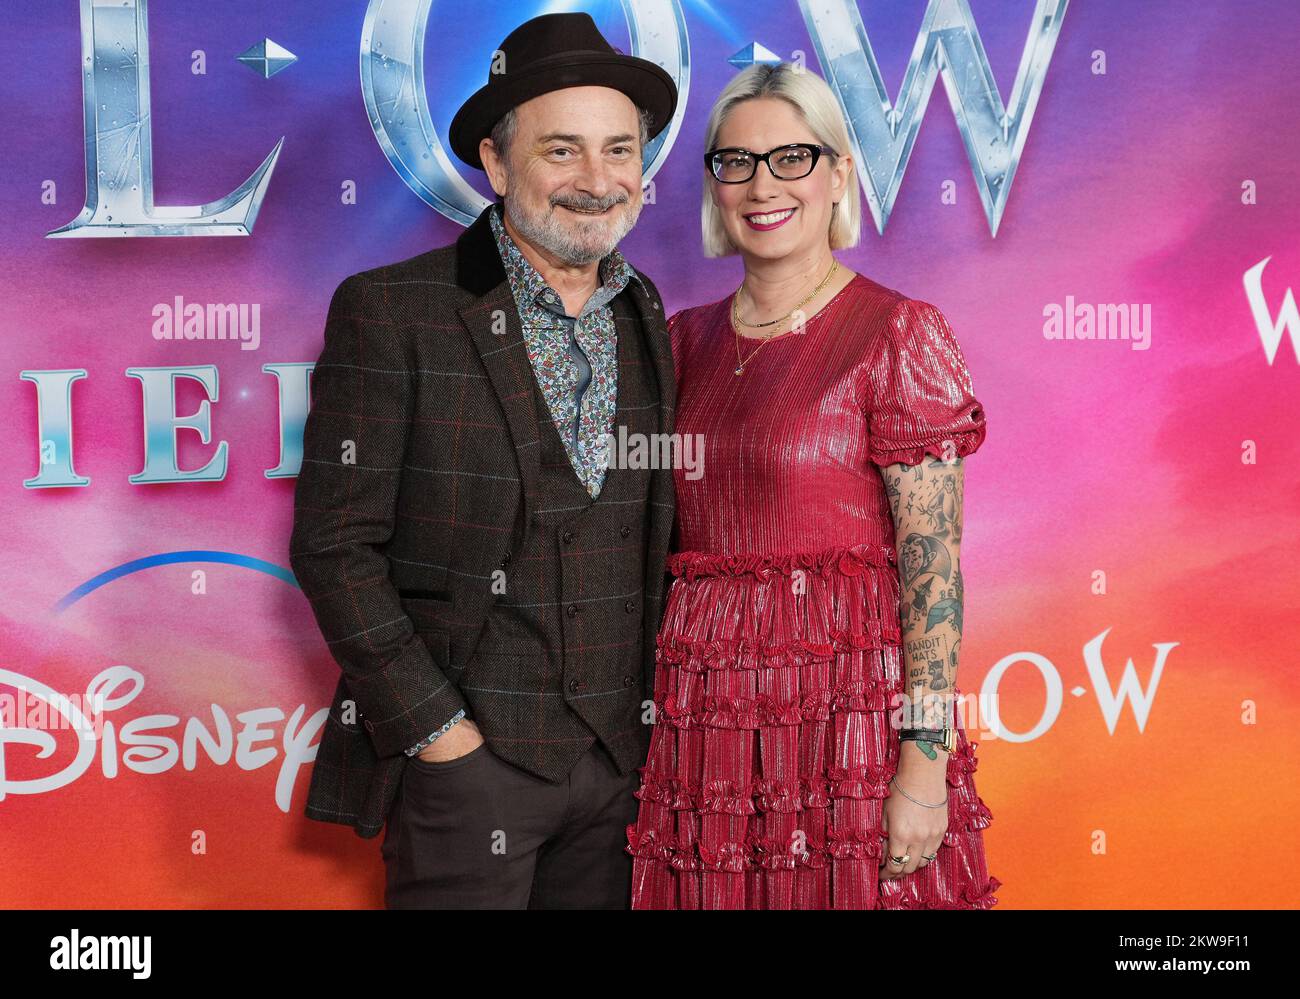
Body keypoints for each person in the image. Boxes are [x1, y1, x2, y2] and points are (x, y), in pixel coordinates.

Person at [289, 12, 679, 908]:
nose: (597, 180)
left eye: (619, 150)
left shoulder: (645, 309)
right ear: (498, 165)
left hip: (622, 765)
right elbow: (333, 545)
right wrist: (439, 732)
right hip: (472, 769)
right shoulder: (394, 312)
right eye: (562, 151)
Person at [624, 62, 1002, 909]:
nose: (763, 184)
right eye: (736, 162)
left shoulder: (899, 332)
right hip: (707, 726)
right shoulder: (677, 343)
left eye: (792, 157)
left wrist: (922, 761)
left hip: (851, 726)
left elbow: (934, 571)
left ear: (838, 173)